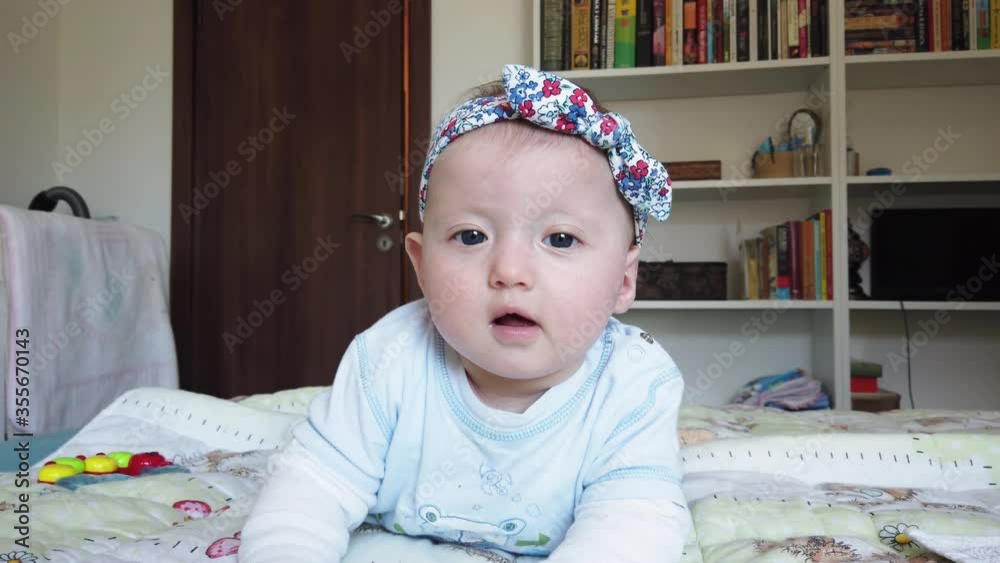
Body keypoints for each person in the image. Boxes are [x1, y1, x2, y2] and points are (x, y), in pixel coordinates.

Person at [239, 63, 690, 562]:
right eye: (471, 236)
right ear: (422, 266)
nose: (510, 271)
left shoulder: (633, 383)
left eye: (560, 239)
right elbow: (309, 488)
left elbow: (633, 526)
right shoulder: (389, 357)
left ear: (624, 281)